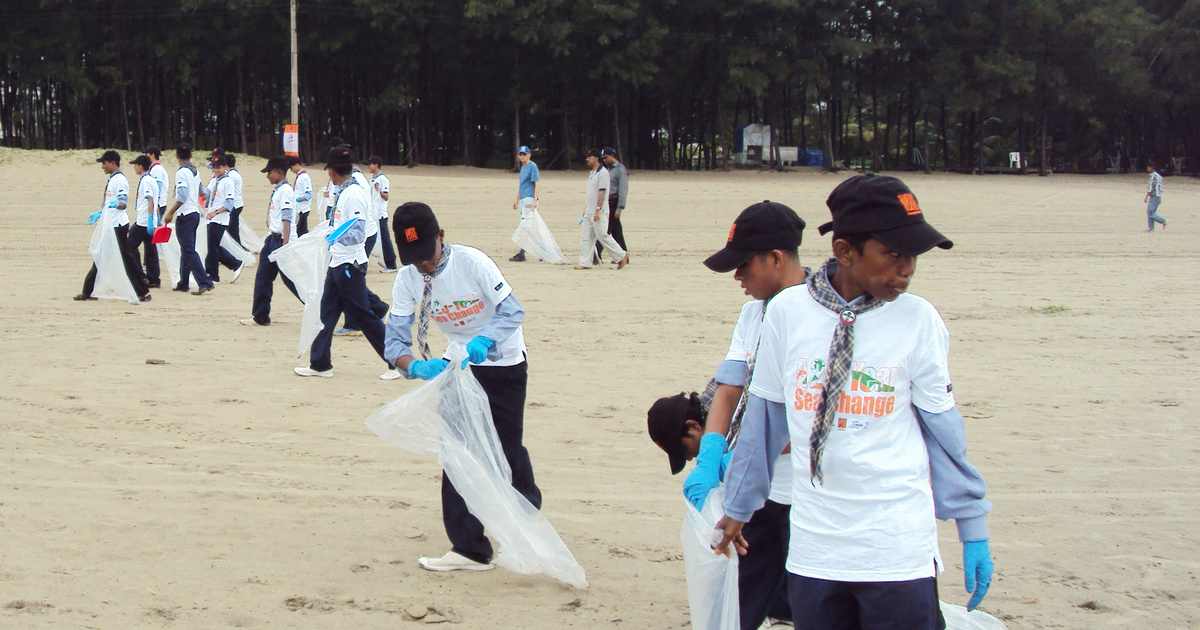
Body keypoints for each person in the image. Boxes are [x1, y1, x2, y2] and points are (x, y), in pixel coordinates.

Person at [715, 175, 995, 629]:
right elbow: (764, 423)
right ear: (845, 251)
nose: (906, 269)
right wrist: (738, 508)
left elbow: (943, 433)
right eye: (894, 254)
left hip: (896, 550)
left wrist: (972, 525)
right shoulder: (787, 314)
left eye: (913, 256)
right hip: (816, 551)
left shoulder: (917, 321)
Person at [384, 201, 541, 571]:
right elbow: (394, 340)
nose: (423, 264)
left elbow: (513, 310)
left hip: (503, 363)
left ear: (441, 236)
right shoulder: (407, 279)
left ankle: (526, 504)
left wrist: (486, 339)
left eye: (427, 253)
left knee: (504, 447)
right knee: (456, 450)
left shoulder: (473, 263)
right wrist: (415, 366)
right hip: (455, 367)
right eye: (413, 258)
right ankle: (469, 547)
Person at [294, 146, 393, 380]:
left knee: (365, 316)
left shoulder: (354, 194)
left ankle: (396, 361)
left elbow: (358, 232)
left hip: (350, 264)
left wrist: (332, 236)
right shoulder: (343, 191)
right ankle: (320, 364)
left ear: (332, 172)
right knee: (325, 314)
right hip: (338, 262)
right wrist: (329, 234)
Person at [76, 150, 151, 302]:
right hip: (112, 224)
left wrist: (114, 204)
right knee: (105, 257)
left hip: (118, 225)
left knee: (124, 259)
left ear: (112, 163)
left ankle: (143, 292)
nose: (102, 167)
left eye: (104, 163)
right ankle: (87, 291)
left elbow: (122, 203)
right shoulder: (113, 179)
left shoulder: (120, 180)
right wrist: (102, 212)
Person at [241, 156, 301, 326]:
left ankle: (317, 309)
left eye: (269, 173)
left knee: (292, 280)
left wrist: (285, 245)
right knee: (263, 277)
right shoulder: (279, 190)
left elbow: (287, 218)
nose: (267, 176)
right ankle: (260, 316)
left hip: (282, 240)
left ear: (279, 172)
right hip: (272, 239)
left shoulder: (286, 191)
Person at [161, 143, 213, 295]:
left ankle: (204, 281)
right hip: (194, 213)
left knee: (188, 250)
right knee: (186, 249)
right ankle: (184, 282)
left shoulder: (181, 172)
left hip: (186, 214)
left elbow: (182, 196)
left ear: (177, 156)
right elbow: (201, 192)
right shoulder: (194, 171)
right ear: (190, 155)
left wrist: (170, 212)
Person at [576, 148, 628, 270]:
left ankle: (621, 255)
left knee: (602, 235)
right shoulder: (592, 173)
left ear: (596, 159)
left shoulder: (603, 173)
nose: (587, 160)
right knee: (586, 237)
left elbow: (602, 192)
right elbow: (591, 193)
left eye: (590, 157)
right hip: (590, 210)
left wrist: (598, 209)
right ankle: (585, 262)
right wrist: (587, 208)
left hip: (599, 210)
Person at [204, 155, 246, 284]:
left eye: (218, 168)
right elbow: (207, 193)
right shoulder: (214, 180)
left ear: (224, 167)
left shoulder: (228, 182)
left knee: (212, 246)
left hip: (220, 219)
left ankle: (215, 274)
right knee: (213, 245)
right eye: (214, 168)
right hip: (211, 218)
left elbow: (229, 204)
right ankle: (234, 264)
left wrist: (215, 212)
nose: (216, 170)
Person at [127, 155, 161, 290]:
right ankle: (154, 278)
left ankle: (141, 276)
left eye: (135, 165)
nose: (134, 167)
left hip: (143, 221)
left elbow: (150, 200)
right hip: (150, 220)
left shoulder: (146, 181)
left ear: (141, 166)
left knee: (129, 246)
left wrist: (150, 220)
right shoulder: (152, 180)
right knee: (151, 250)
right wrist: (156, 219)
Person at [594, 147, 629, 263]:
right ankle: (623, 255)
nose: (604, 160)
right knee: (616, 231)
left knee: (605, 230)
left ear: (612, 156)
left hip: (614, 202)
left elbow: (623, 190)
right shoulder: (606, 170)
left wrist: (620, 208)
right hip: (606, 202)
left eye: (606, 158)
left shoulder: (620, 170)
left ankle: (596, 254)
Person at [509, 145, 541, 262]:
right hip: (523, 199)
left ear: (529, 155)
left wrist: (535, 199)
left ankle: (522, 253)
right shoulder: (523, 167)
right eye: (520, 154)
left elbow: (537, 183)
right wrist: (517, 199)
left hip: (529, 199)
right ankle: (542, 251)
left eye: (524, 154)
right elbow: (521, 185)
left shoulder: (532, 166)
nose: (522, 156)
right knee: (530, 227)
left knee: (526, 226)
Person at [366, 156, 397, 272]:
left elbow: (386, 196)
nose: (369, 167)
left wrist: (379, 190)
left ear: (376, 165)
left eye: (370, 164)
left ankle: (391, 264)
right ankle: (385, 261)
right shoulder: (372, 180)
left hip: (380, 214)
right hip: (374, 213)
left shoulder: (383, 179)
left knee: (384, 239)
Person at [289, 156, 313, 236]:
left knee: (301, 231)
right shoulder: (299, 176)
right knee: (300, 229)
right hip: (298, 208)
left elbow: (309, 194)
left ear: (296, 165)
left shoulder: (304, 177)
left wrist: (299, 199)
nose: (291, 170)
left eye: (291, 168)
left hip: (303, 209)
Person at [144, 145, 169, 222]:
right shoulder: (155, 168)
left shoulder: (156, 169)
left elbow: (157, 188)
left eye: (147, 154)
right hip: (158, 204)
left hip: (158, 205)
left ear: (152, 155)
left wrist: (155, 206)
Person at [226, 153, 245, 245]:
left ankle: (237, 248)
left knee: (232, 230)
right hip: (238, 204)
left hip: (234, 205)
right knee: (233, 228)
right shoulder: (234, 173)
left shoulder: (231, 175)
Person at [1144, 162, 1168, 232]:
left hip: (1154, 195)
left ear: (1151, 168)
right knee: (1152, 211)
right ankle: (1151, 228)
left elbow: (1151, 187)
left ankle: (1163, 221)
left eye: (1148, 167)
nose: (1147, 169)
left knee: (1150, 212)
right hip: (1158, 195)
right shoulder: (1159, 176)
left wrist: (1146, 196)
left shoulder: (1153, 176)